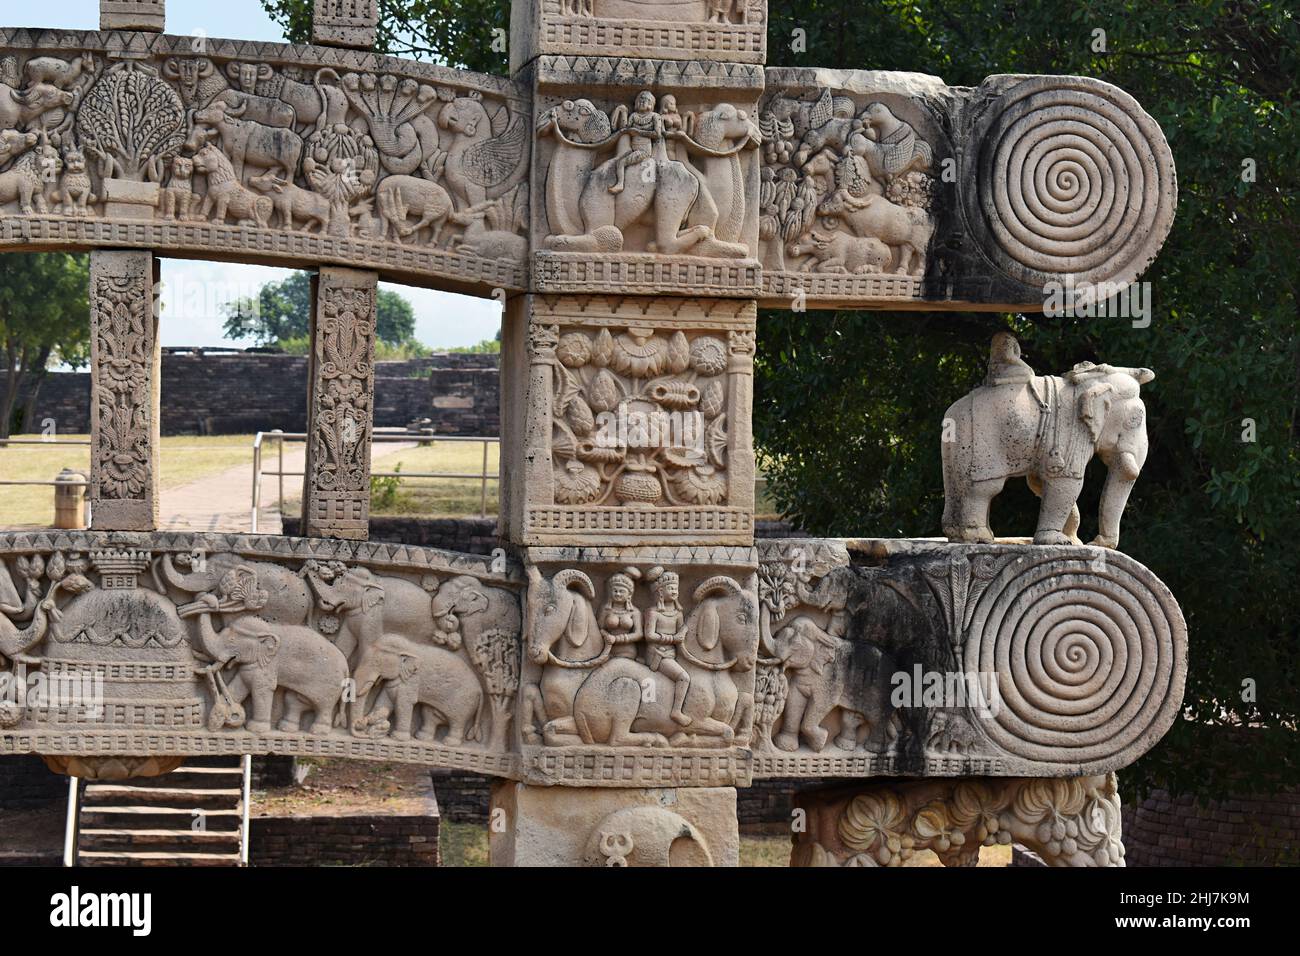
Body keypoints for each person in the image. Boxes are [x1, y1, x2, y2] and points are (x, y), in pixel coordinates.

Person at [643, 567, 692, 726]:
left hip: (672, 654)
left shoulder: (678, 614)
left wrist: (683, 632)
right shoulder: (652, 612)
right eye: (670, 588)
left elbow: (680, 635)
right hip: (657, 654)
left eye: (676, 588)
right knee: (684, 677)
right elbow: (649, 635)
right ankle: (676, 711)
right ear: (660, 592)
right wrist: (672, 638)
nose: (675, 591)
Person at [610, 92, 665, 195]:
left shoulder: (655, 116)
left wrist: (638, 132)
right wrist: (622, 112)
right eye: (639, 100)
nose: (641, 102)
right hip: (632, 147)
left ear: (651, 103)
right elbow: (626, 128)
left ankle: (620, 184)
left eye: (644, 100)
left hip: (644, 150)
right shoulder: (634, 115)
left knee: (621, 163)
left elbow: (657, 134)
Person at [600, 568, 643, 660]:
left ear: (629, 594)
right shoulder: (606, 609)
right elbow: (599, 628)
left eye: (621, 591)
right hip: (607, 649)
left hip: (628, 650)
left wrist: (617, 639)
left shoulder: (634, 612)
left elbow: (639, 634)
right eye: (615, 591)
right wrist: (606, 636)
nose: (618, 594)